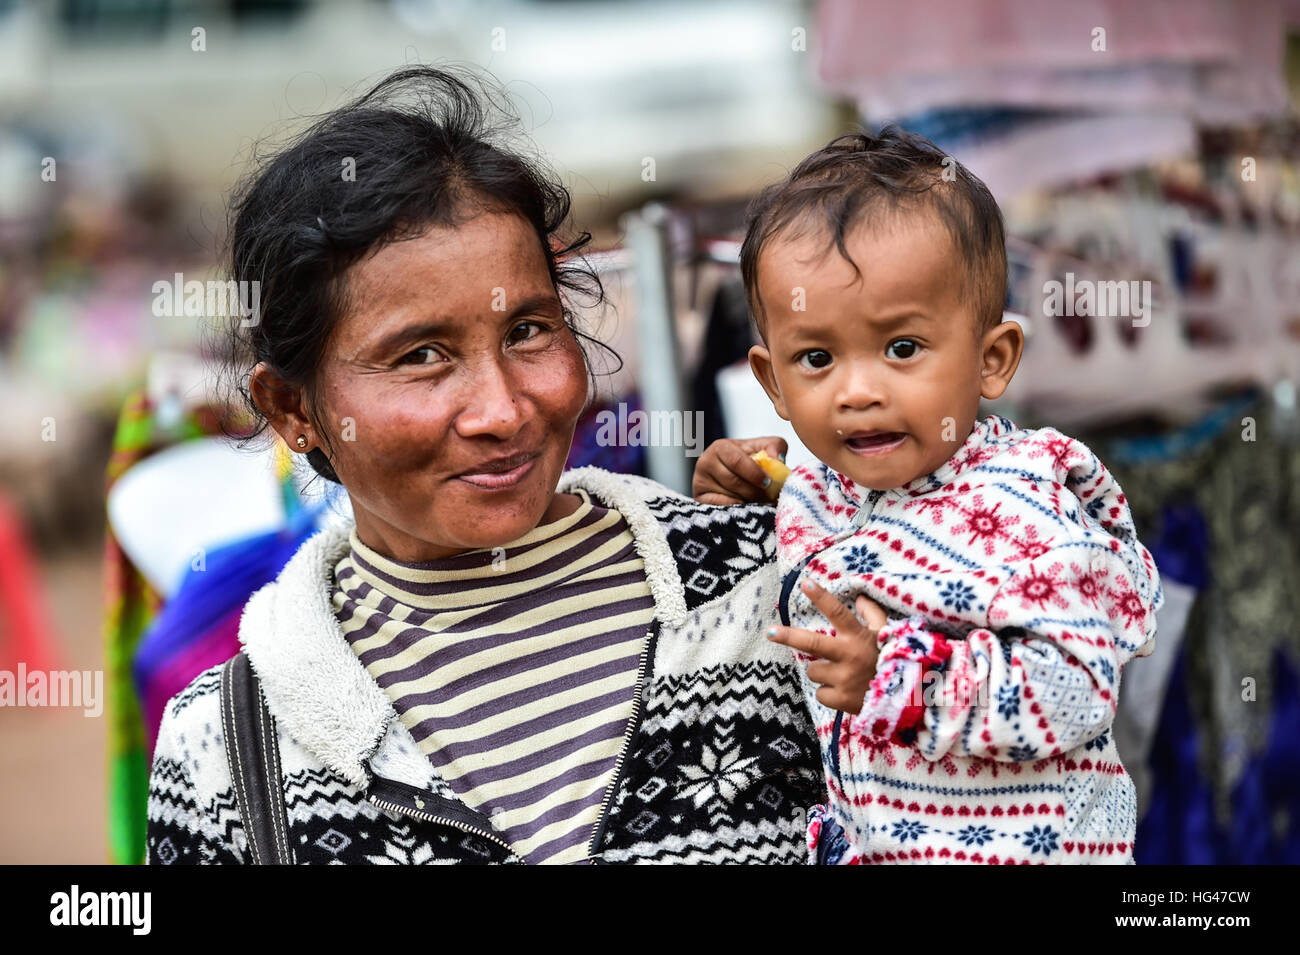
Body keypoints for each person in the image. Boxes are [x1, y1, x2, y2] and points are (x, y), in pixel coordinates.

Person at [144, 66, 825, 865]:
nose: (502, 410)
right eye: (422, 355)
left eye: (529, 331)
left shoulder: (762, 590)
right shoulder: (227, 752)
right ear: (294, 408)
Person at [692, 126, 1165, 864]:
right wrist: (739, 505)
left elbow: (1077, 686)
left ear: (992, 358)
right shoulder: (819, 489)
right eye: (817, 358)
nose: (857, 392)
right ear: (773, 382)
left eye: (902, 348)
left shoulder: (1019, 502)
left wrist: (898, 678)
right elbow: (790, 609)